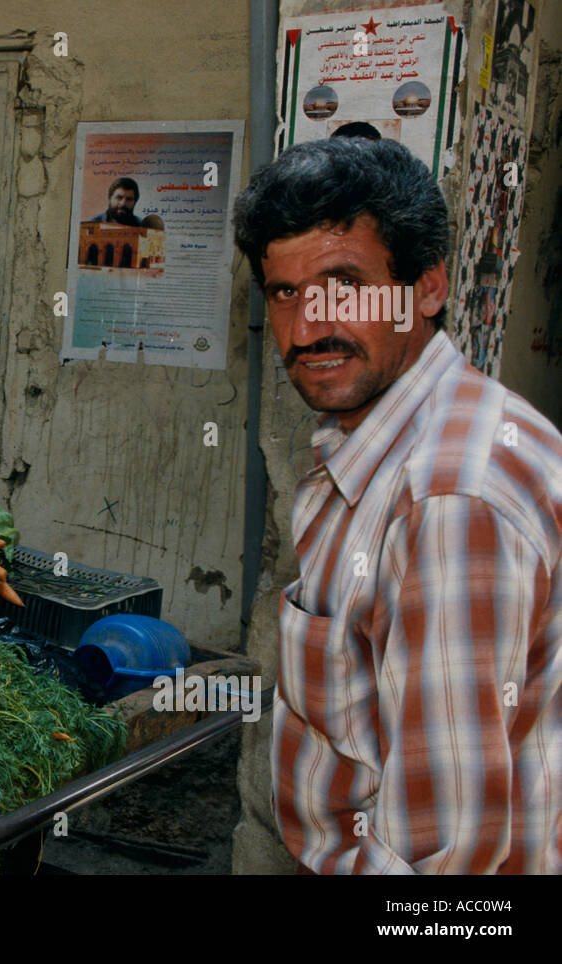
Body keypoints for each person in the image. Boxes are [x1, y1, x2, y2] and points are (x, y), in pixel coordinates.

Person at [233, 136, 562, 874]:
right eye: (285, 292)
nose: (309, 326)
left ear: (428, 287)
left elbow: (440, 868)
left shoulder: (448, 500)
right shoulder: (375, 446)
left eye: (344, 284)